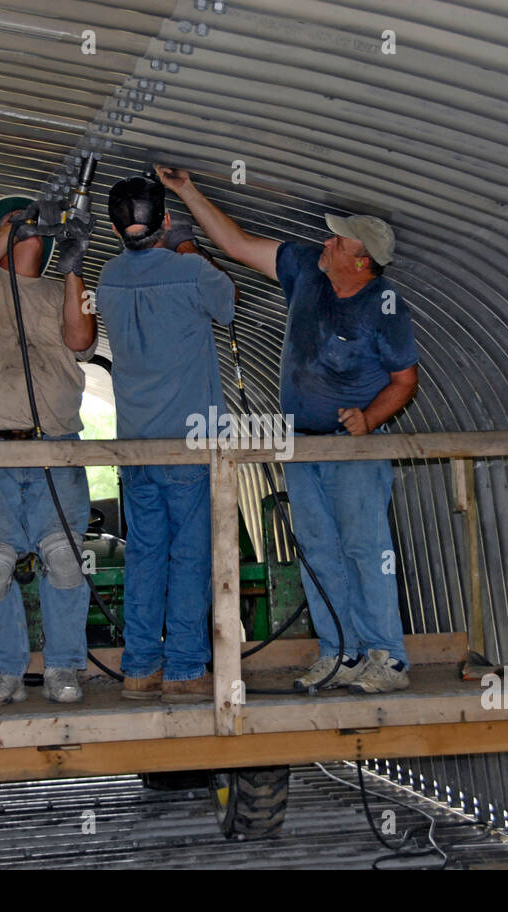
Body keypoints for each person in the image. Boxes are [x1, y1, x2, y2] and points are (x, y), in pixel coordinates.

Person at [155, 165, 419, 694]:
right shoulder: (306, 268)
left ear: (361, 260)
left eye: (338, 240)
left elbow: (404, 380)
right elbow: (235, 244)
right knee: (319, 549)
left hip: (352, 452)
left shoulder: (383, 307)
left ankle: (387, 658)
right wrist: (186, 190)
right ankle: (339, 653)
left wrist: (368, 419)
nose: (326, 241)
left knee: (365, 549)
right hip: (299, 444)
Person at [0, 197, 96, 706]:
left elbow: (82, 338)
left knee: (66, 560)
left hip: (56, 445)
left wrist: (74, 267)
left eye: (38, 230)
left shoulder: (62, 291)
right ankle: (4, 672)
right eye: (19, 229)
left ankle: (64, 669)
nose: (32, 236)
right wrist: (14, 228)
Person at [96, 175, 236, 703]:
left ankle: (137, 668)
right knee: (191, 556)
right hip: (192, 442)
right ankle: (183, 667)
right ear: (166, 220)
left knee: (146, 555)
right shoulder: (191, 270)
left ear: (114, 228)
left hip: (135, 446)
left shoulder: (107, 280)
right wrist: (188, 246)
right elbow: (229, 301)